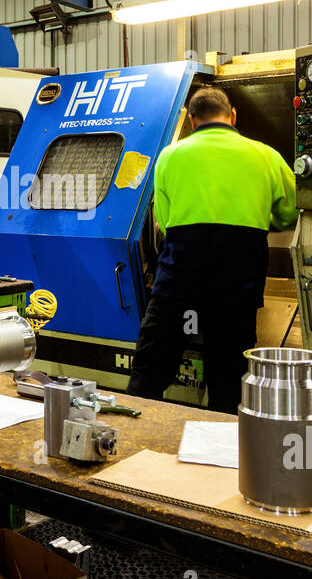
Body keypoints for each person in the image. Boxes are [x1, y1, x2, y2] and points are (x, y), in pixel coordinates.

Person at [126, 86, 297, 412]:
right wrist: (258, 219)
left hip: (178, 288)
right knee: (229, 383)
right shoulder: (265, 155)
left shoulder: (170, 156)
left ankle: (135, 446)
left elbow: (163, 220)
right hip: (237, 290)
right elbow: (289, 214)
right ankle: (222, 454)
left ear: (191, 121)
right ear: (232, 116)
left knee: (149, 375)